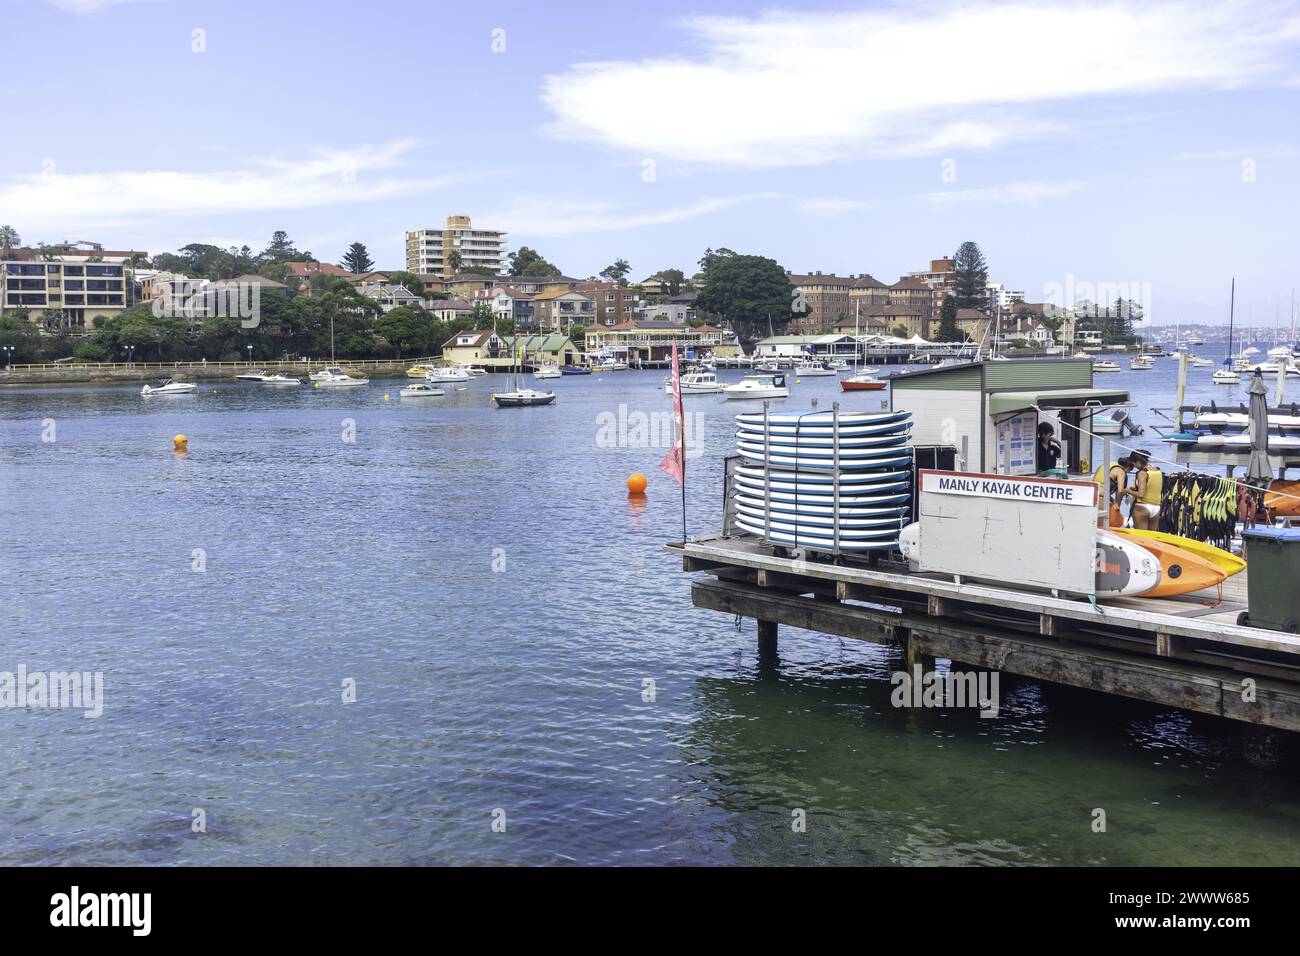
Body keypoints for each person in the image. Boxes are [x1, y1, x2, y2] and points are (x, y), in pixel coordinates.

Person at [1124, 451, 1163, 530]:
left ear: (1138, 462)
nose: (1134, 467)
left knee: (1141, 537)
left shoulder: (1142, 473)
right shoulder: (1158, 471)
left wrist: (1127, 490)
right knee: (1152, 538)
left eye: (1134, 464)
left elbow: (1141, 494)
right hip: (1156, 507)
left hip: (1142, 507)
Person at [1093, 455, 1135, 526]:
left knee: (1094, 521)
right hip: (1101, 498)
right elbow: (1120, 491)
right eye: (1129, 471)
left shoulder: (1108, 465)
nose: (1127, 473)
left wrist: (1112, 500)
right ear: (1127, 467)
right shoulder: (1121, 471)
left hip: (1091, 494)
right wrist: (1117, 506)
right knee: (1100, 524)